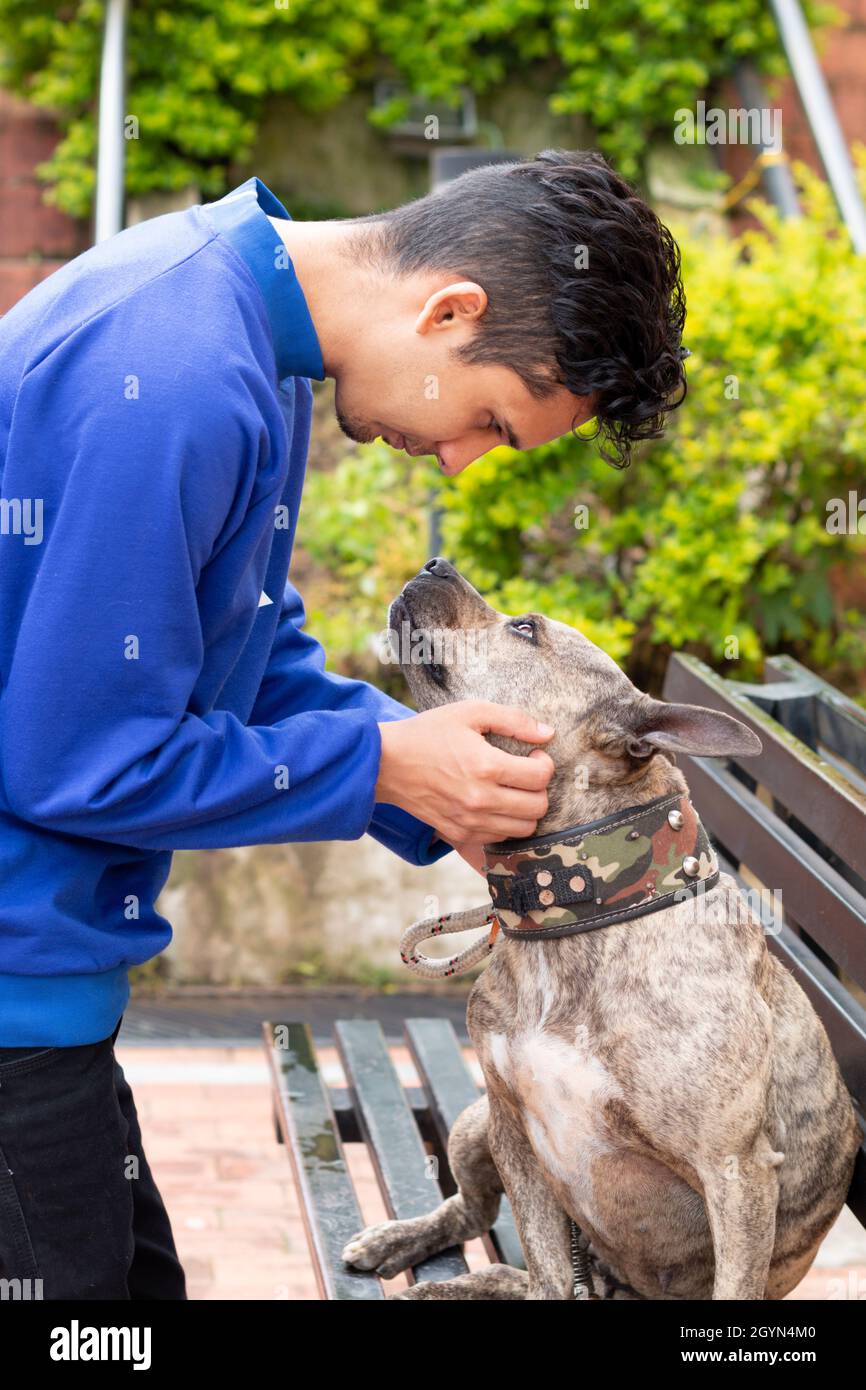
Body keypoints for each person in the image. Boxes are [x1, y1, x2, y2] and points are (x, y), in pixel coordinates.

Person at [0, 149, 686, 1297]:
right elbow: (77, 758)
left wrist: (431, 791)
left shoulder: (236, 336)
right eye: (491, 420)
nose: (461, 462)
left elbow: (252, 657)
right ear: (449, 307)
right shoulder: (174, 374)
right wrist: (379, 760)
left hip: (46, 990)